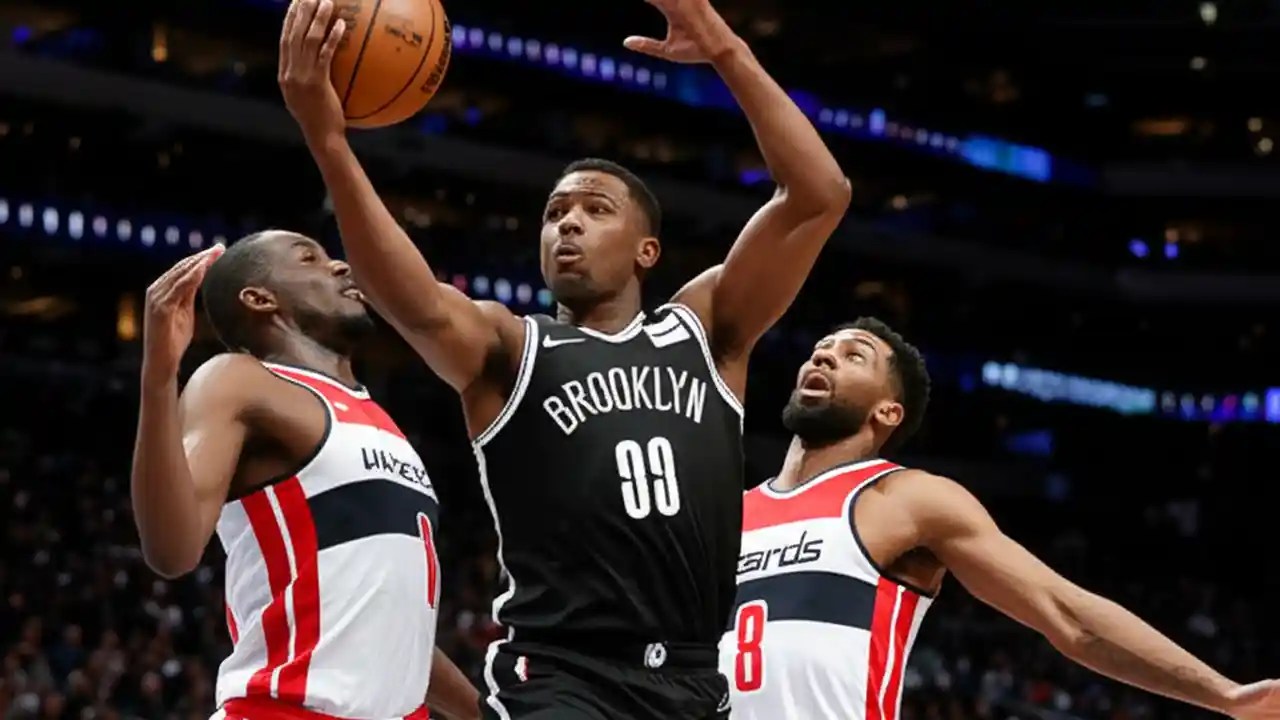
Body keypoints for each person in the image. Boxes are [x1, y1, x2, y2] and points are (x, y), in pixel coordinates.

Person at [277, 0, 851, 716]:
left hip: (696, 682)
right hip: (560, 677)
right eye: (554, 214)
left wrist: (729, 53)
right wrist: (329, 142)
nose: (568, 222)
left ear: (648, 252)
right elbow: (412, 300)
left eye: (595, 209)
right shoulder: (510, 347)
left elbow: (819, 196)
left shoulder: (706, 331)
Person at [717, 318, 1280, 720]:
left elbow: (1067, 614)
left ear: (888, 411)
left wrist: (1225, 696)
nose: (823, 356)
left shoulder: (904, 498)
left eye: (853, 354)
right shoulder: (726, 514)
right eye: (821, 348)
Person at [130, 234, 480, 720]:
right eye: (308, 257)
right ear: (259, 297)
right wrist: (159, 378)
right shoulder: (239, 379)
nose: (339, 265)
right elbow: (172, 550)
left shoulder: (380, 419)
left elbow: (390, 627)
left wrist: (480, 711)